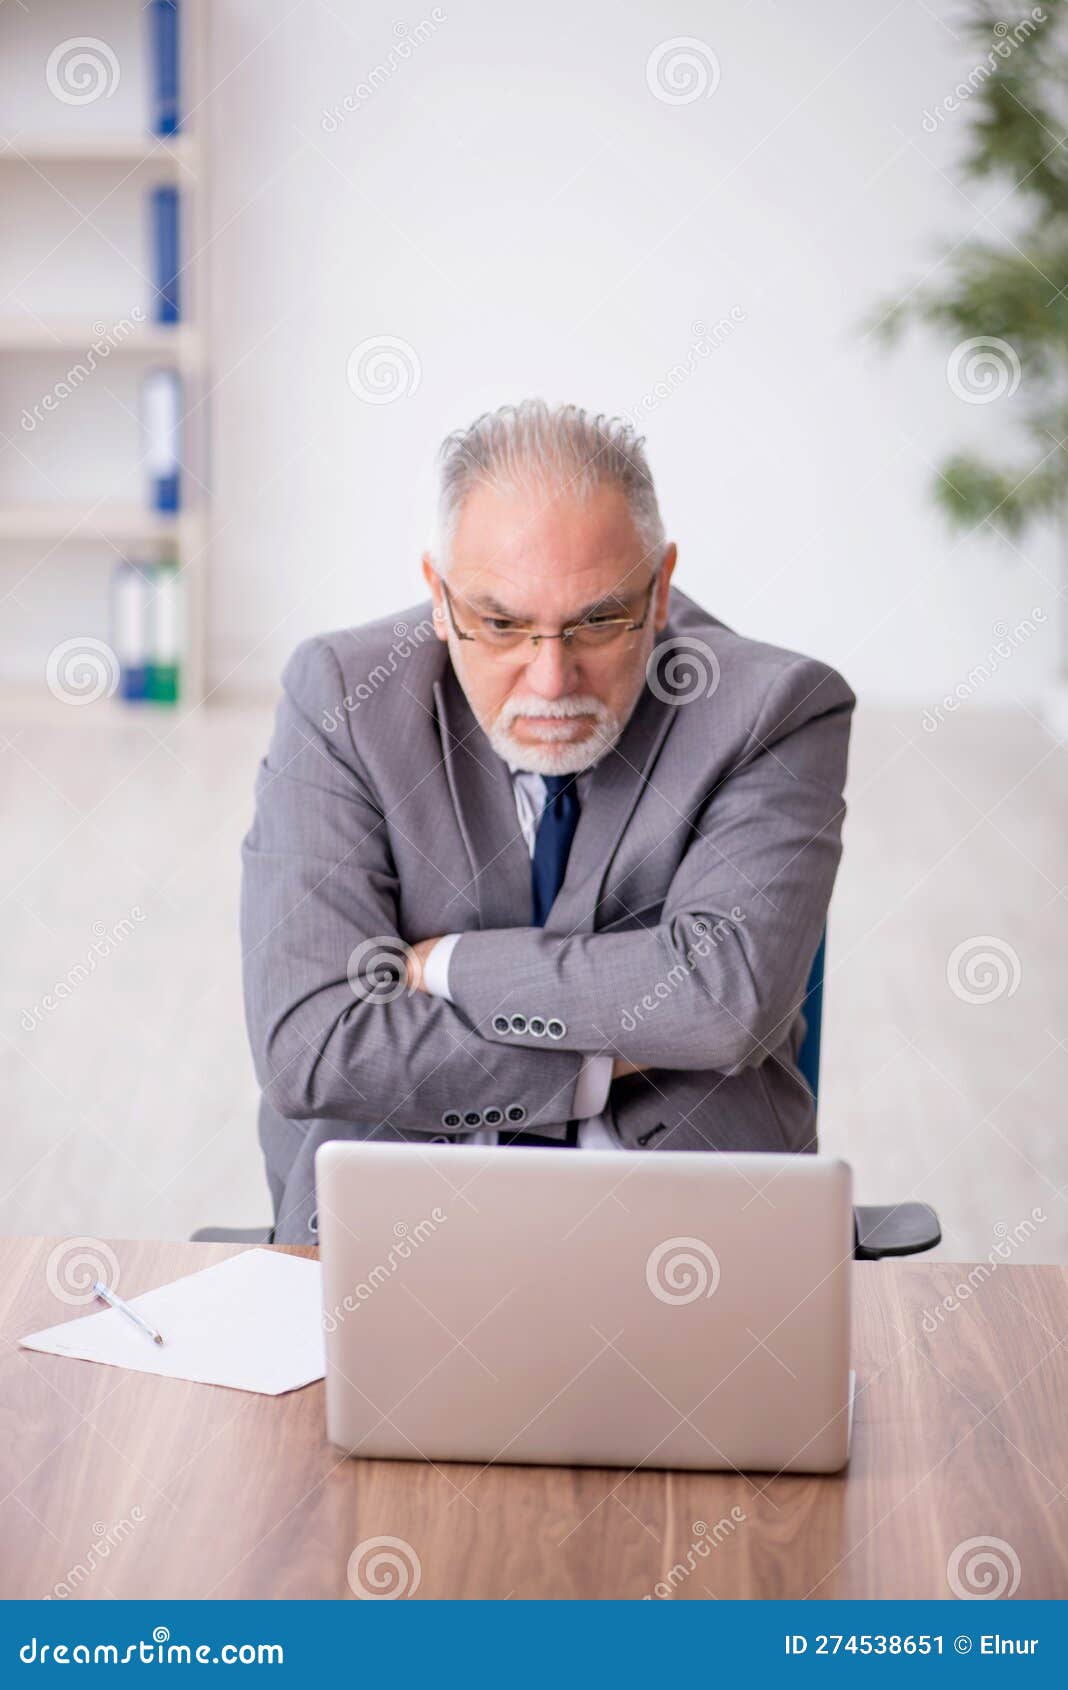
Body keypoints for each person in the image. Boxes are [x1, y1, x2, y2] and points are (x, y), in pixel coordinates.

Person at [240, 399, 855, 1244]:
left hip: (698, 1227)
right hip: (396, 1220)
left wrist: (446, 966)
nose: (552, 681)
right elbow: (311, 1045)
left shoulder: (776, 708)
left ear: (660, 587)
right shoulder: (341, 696)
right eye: (501, 625)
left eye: (598, 621)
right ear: (438, 595)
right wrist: (609, 1052)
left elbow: (723, 1003)